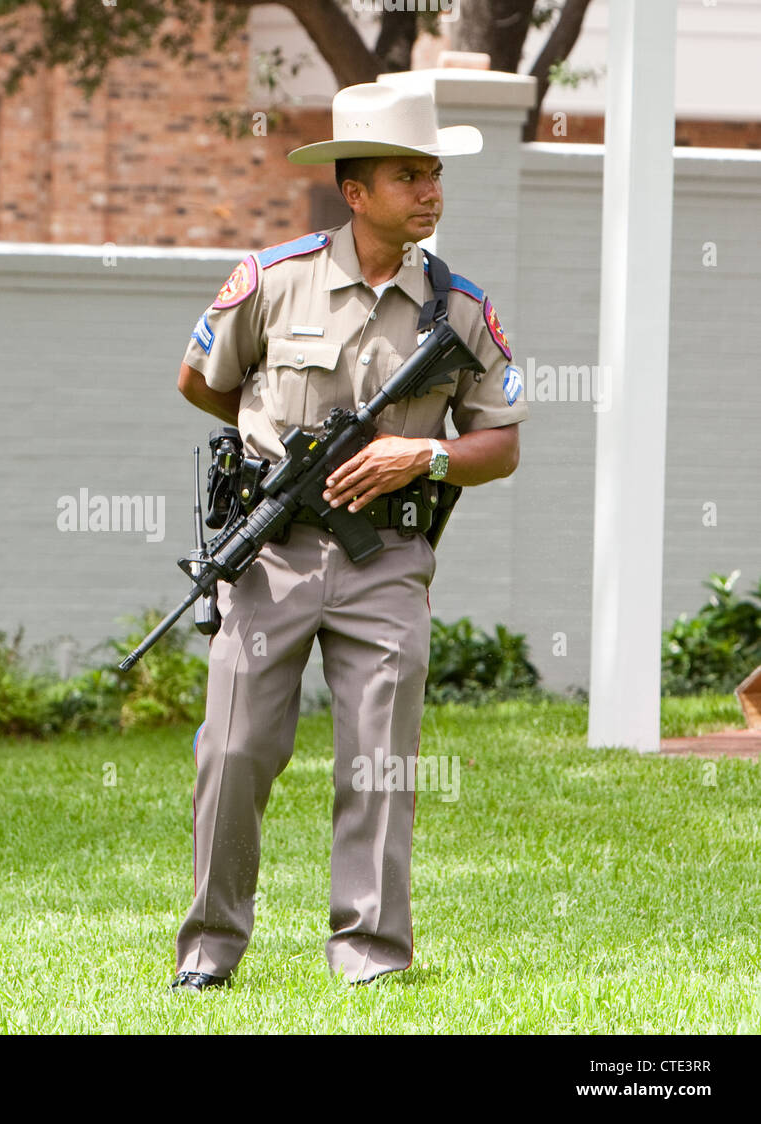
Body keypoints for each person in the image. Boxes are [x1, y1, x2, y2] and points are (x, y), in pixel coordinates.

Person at [170, 82, 528, 991]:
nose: (430, 190)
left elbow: (500, 444)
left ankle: (367, 957)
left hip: (387, 564)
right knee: (234, 753)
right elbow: (199, 379)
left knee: (378, 762)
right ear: (354, 190)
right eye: (409, 175)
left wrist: (422, 457)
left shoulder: (460, 310)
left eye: (435, 174)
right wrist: (268, 454)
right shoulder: (271, 278)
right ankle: (209, 952)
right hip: (272, 555)